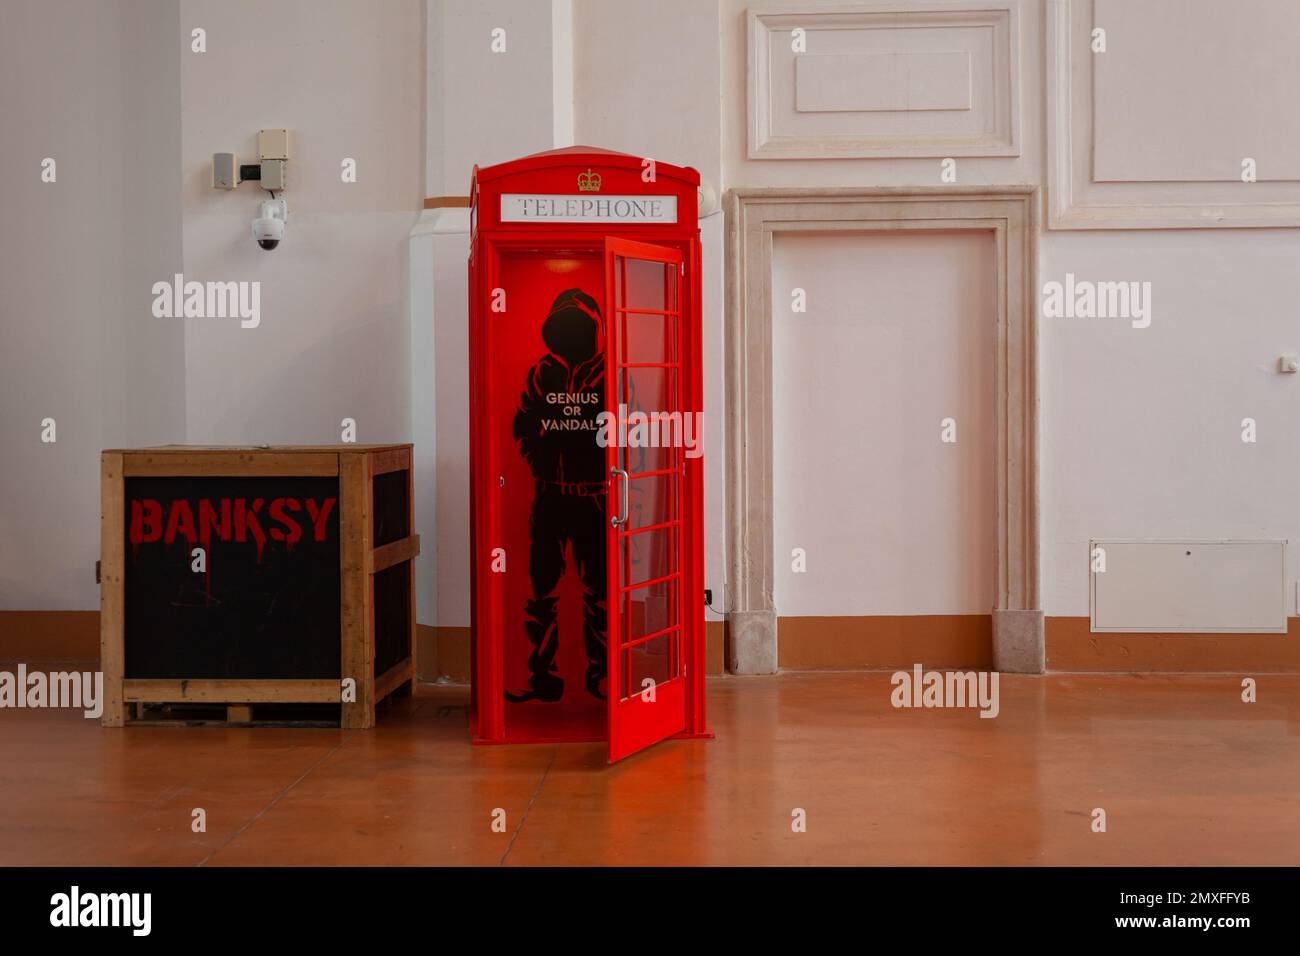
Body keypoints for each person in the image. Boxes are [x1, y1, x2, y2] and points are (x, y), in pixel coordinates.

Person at [507, 288, 608, 703]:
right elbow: (522, 424)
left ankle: (601, 676)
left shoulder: (611, 373)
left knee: (599, 592)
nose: (572, 333)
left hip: (595, 497)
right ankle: (542, 676)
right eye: (565, 326)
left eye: (580, 326)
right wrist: (539, 461)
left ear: (594, 330)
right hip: (549, 498)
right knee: (541, 593)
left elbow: (630, 429)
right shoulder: (540, 373)